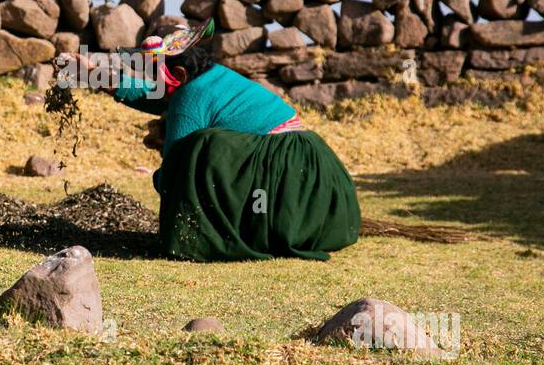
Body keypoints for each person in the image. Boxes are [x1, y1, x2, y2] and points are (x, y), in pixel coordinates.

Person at [60, 22, 360, 261]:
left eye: (155, 76)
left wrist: (174, 212)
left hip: (287, 180)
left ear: (177, 73)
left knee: (201, 150)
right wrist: (91, 75)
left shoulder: (190, 98)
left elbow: (176, 170)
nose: (153, 84)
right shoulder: (211, 75)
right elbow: (156, 95)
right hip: (315, 173)